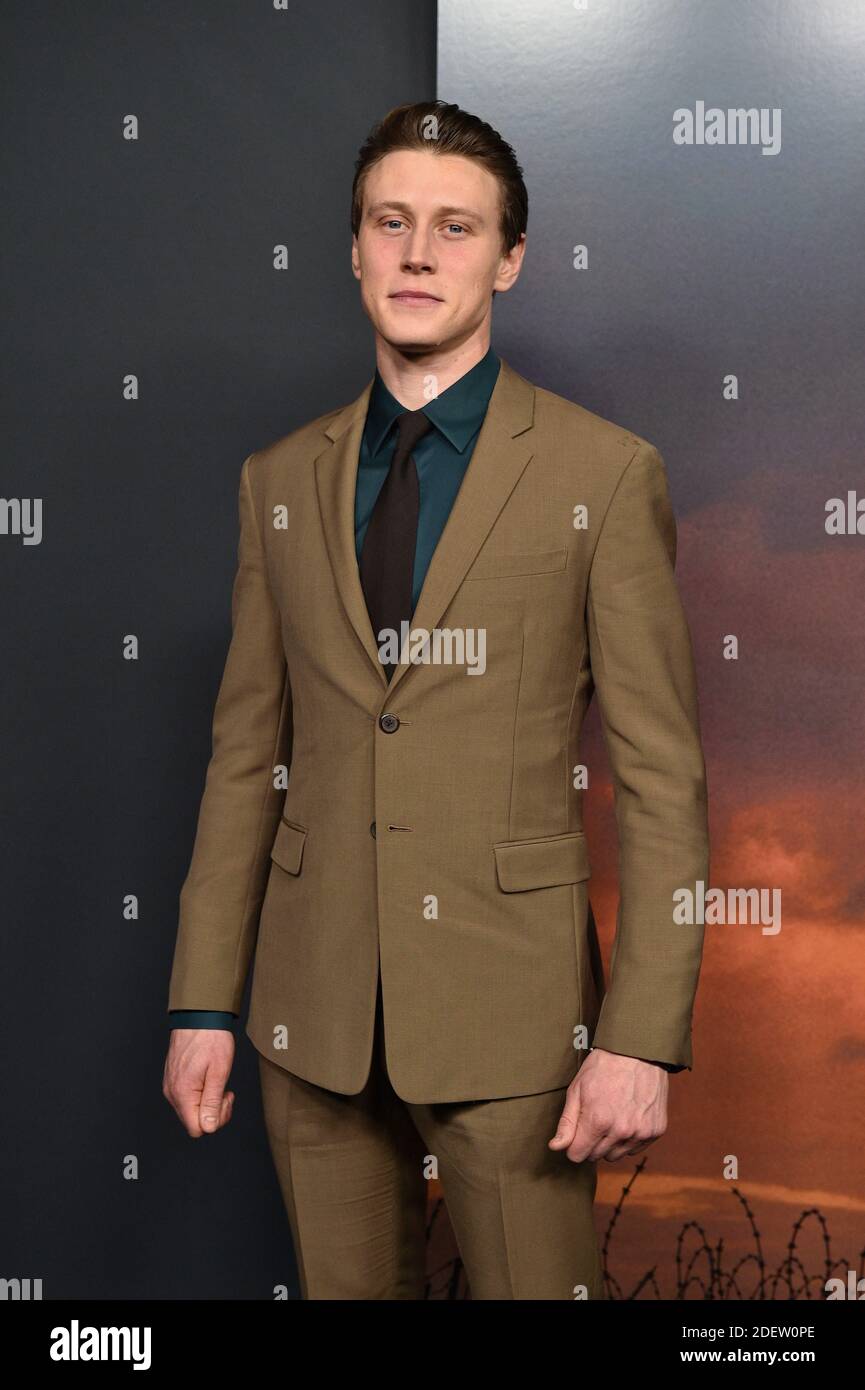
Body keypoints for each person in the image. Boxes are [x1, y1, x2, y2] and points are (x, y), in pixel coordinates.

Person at [163, 100, 710, 1301]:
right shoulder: (277, 481)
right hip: (311, 1020)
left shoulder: (603, 474)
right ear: (354, 247)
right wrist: (204, 1001)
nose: (418, 254)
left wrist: (637, 1036)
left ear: (508, 259)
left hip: (517, 1026)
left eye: (455, 228)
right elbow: (246, 754)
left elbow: (663, 778)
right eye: (390, 221)